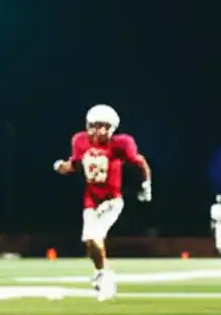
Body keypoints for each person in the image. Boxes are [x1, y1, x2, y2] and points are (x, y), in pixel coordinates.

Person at [54, 104, 152, 302]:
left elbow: (140, 161)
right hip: (90, 200)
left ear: (111, 128)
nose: (96, 131)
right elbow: (74, 163)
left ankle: (106, 276)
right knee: (90, 242)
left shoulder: (120, 144)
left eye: (102, 126)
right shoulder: (80, 140)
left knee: (95, 237)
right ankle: (100, 272)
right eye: (93, 125)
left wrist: (146, 185)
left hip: (112, 201)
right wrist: (61, 167)